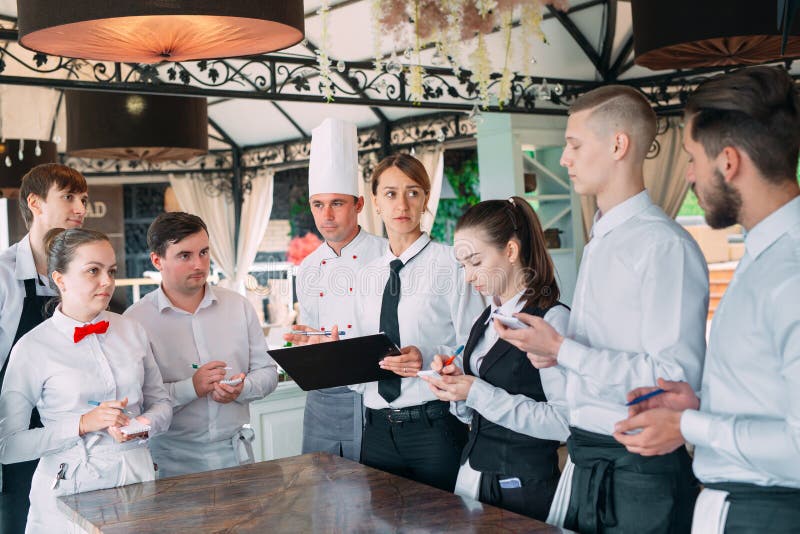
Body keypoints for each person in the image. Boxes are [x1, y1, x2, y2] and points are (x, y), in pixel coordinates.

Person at [495, 86, 709, 533]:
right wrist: (554, 353)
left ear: (617, 144)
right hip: (587, 455)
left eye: (574, 145)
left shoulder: (665, 245)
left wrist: (564, 350)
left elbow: (675, 376)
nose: (564, 159)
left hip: (638, 467)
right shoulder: (600, 241)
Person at [614, 66, 800, 533]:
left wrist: (691, 428)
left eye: (692, 157)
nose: (690, 175)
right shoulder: (766, 253)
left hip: (768, 515)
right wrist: (699, 407)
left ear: (730, 162)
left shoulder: (790, 271)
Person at [0, 228, 172, 533]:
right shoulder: (32, 348)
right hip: (67, 493)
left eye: (111, 271)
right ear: (60, 279)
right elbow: (8, 446)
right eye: (93, 270)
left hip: (137, 482)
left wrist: (139, 426)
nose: (106, 281)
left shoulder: (132, 330)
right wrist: (80, 424)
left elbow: (162, 403)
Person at [420, 197, 570, 521]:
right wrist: (455, 388)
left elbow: (563, 423)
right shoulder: (485, 319)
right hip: (473, 479)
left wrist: (475, 391)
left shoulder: (552, 321)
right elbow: (474, 417)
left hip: (523, 490)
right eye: (463, 266)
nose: (467, 278)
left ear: (511, 252)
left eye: (475, 262)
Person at [348, 153, 484, 492]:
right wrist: (336, 357)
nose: (402, 203)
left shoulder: (451, 265)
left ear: (425, 199)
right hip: (376, 430)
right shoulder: (366, 276)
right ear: (376, 203)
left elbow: (478, 344)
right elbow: (360, 356)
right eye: (391, 193)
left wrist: (429, 357)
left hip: (435, 428)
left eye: (413, 192)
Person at [124, 212, 278, 477]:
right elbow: (134, 403)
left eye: (204, 252)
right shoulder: (135, 321)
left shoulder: (238, 305)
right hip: (168, 461)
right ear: (157, 260)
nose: (199, 264)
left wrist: (243, 388)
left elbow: (268, 373)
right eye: (185, 256)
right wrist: (190, 388)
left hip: (236, 454)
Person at [0, 164, 88, 533]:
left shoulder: (83, 275)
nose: (80, 208)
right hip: (16, 430)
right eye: (68, 197)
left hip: (75, 427)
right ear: (35, 202)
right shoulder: (3, 274)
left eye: (83, 199)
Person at [292, 118, 386, 461]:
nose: (326, 215)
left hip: (374, 395)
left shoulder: (386, 257)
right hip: (322, 399)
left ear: (359, 205)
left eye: (337, 203)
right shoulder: (309, 266)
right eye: (318, 204)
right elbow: (314, 330)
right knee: (322, 490)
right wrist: (304, 344)